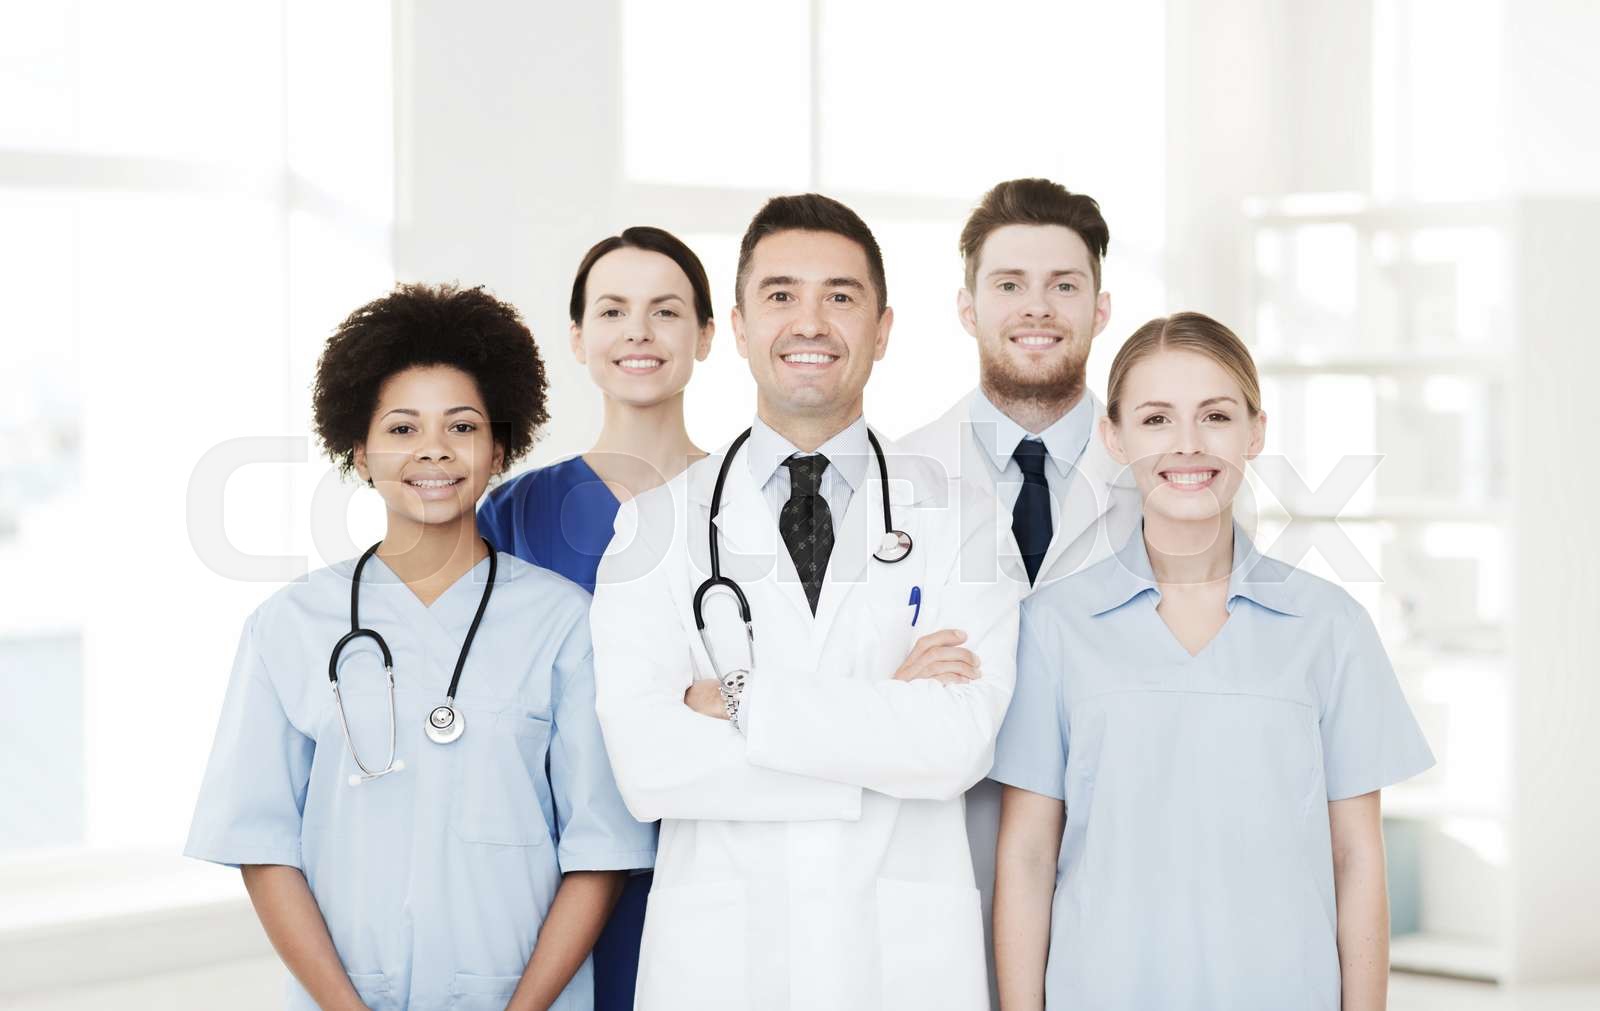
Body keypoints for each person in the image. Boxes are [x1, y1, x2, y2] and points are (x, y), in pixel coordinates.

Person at [589, 194, 1021, 1011]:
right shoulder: (656, 525)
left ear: (883, 329)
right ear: (742, 327)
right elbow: (647, 766)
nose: (811, 322)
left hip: (904, 966)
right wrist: (885, 712)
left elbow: (955, 745)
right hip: (721, 967)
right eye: (782, 295)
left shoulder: (962, 516)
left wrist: (743, 700)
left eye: (842, 296)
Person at [185, 284, 655, 1011]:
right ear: (359, 451)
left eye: (461, 426)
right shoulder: (289, 625)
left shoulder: (565, 624)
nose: (434, 448)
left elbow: (598, 851)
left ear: (500, 446)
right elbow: (264, 844)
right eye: (402, 428)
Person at [989, 312, 1435, 1010]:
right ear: (1115, 436)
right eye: (1157, 418)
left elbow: (1356, 857)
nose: (1188, 444)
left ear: (1256, 431)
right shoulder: (1052, 628)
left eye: (1217, 415)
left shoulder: (1331, 627)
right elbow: (1026, 857)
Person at [896, 177, 1140, 1001]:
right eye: (1009, 285)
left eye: (1064, 285)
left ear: (1100, 308)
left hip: (1117, 843)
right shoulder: (896, 478)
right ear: (967, 306)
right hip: (940, 845)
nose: (1037, 308)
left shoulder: (1164, 478)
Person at [478, 226, 714, 1010]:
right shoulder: (511, 512)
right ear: (578, 339)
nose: (639, 332)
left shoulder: (758, 498)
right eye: (613, 311)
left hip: (715, 851)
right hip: (557, 868)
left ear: (707, 336)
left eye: (667, 311)